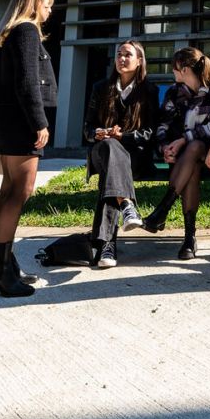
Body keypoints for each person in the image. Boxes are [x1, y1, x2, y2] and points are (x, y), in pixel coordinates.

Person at [0, 0, 56, 298]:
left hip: (8, 119)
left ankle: (2, 267)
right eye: (47, 3)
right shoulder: (26, 30)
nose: (50, 10)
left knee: (8, 190)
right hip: (21, 122)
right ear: (33, 3)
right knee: (20, 191)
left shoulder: (11, 33)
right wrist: (39, 122)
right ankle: (0, 270)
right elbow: (28, 82)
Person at [81, 40, 158, 267]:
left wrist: (122, 137)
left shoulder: (149, 91)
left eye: (127, 55)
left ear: (139, 61)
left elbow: (150, 132)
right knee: (109, 149)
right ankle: (127, 205)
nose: (122, 59)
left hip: (134, 157)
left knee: (111, 171)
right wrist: (98, 133)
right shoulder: (100, 88)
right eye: (118, 55)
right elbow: (86, 128)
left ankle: (107, 247)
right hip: (100, 151)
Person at [143, 47, 210, 260]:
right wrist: (165, 148)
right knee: (191, 162)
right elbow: (162, 125)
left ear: (184, 69)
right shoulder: (174, 93)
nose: (173, 73)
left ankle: (164, 208)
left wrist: (182, 140)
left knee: (194, 147)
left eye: (175, 68)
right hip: (184, 160)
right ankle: (188, 238)